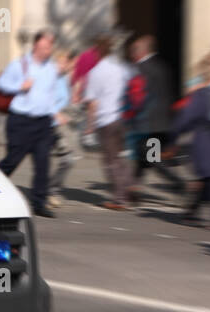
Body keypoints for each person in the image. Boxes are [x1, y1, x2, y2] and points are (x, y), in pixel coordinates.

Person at [0, 29, 68, 217]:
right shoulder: (20, 64)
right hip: (21, 121)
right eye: (44, 46)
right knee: (13, 160)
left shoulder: (51, 69)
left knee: (43, 163)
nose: (47, 50)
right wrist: (20, 86)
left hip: (43, 123)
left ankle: (39, 202)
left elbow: (49, 96)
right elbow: (1, 84)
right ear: (36, 45)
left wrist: (56, 114)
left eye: (50, 47)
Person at [171, 55, 210, 230]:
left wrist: (174, 136)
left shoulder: (200, 95)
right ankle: (191, 212)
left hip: (204, 142)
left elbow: (186, 119)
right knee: (208, 179)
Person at [82, 32, 135, 210]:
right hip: (120, 118)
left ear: (98, 52)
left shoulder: (96, 72)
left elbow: (93, 103)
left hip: (105, 120)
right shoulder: (121, 68)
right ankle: (128, 186)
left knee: (110, 161)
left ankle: (120, 199)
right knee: (121, 157)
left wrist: (89, 127)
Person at [129, 34, 184, 196]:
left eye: (133, 51)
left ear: (140, 52)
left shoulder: (140, 69)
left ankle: (178, 182)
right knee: (143, 156)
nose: (132, 55)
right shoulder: (163, 66)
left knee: (151, 157)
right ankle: (133, 190)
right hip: (164, 121)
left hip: (149, 123)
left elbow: (138, 97)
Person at [47, 49, 77, 209]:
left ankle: (51, 191)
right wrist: (56, 114)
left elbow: (64, 100)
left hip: (55, 127)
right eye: (68, 62)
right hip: (44, 124)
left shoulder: (64, 78)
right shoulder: (50, 77)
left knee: (68, 159)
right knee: (19, 156)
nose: (71, 66)